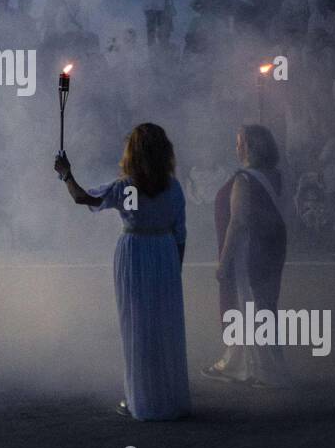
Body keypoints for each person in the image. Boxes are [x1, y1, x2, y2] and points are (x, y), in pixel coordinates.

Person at [53, 124, 190, 421]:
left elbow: (83, 198)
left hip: (136, 252)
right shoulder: (174, 187)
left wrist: (66, 175)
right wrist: (173, 269)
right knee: (164, 326)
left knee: (138, 326)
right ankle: (170, 397)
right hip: (164, 251)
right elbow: (180, 233)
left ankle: (141, 398)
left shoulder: (126, 187)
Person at [203, 125, 291, 387]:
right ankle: (238, 362)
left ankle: (266, 372)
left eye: (240, 142)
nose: (237, 147)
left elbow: (238, 221)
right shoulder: (275, 175)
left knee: (250, 306)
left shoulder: (245, 179)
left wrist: (224, 260)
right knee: (260, 306)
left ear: (251, 147)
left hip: (249, 252)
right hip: (270, 248)